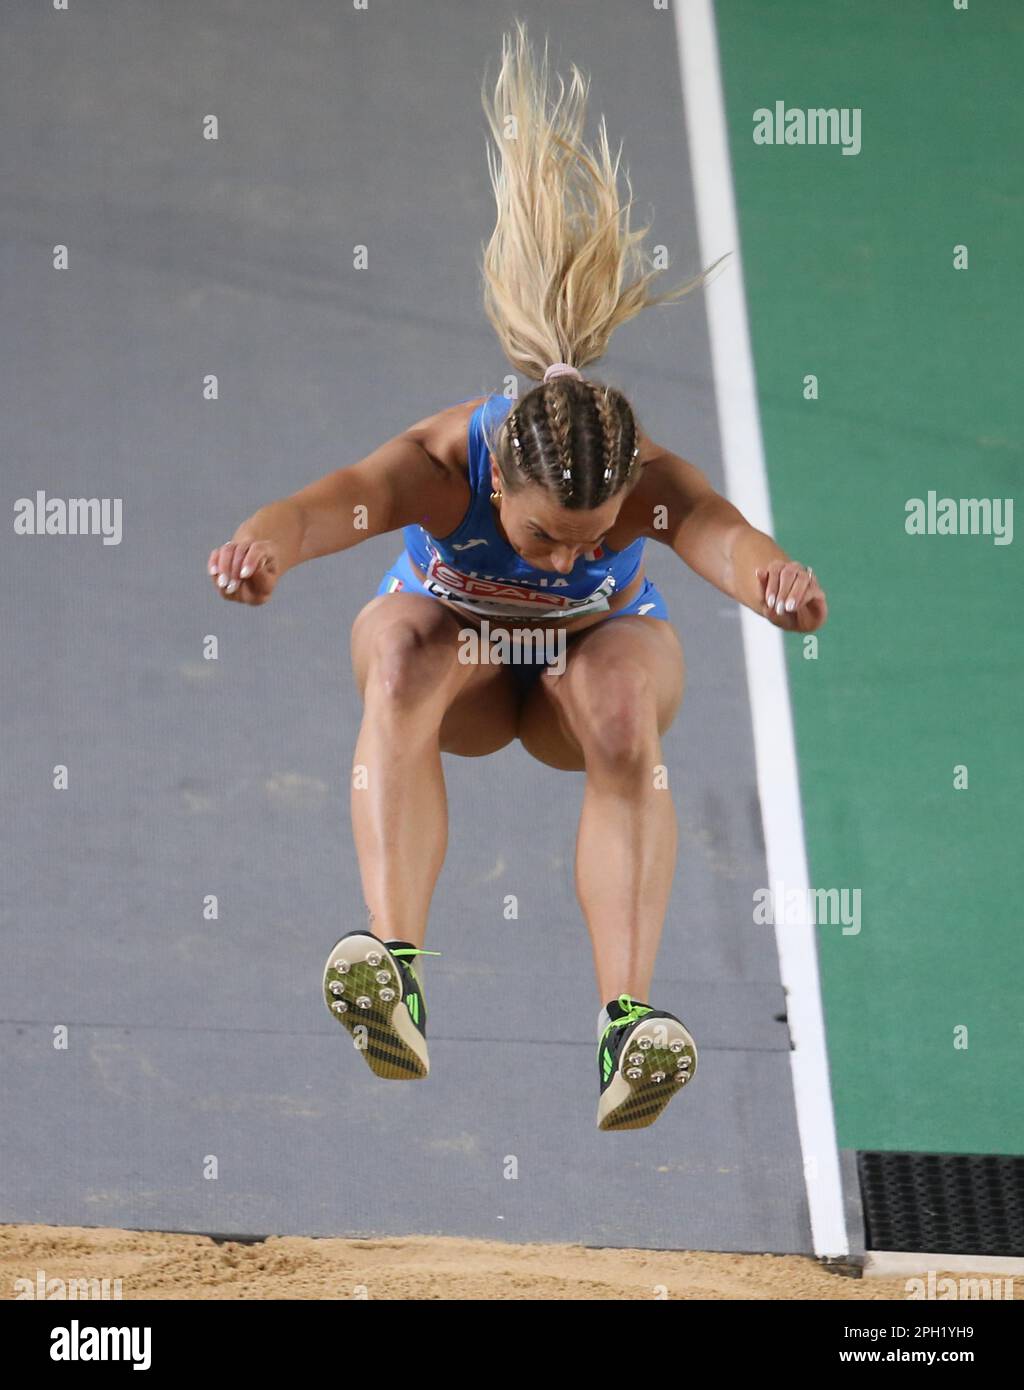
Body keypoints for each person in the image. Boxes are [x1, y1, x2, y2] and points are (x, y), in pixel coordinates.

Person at [206, 22, 828, 1131]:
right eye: (547, 537)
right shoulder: (442, 466)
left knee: (627, 711)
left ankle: (626, 1024)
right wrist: (262, 550)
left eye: (594, 535)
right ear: (498, 491)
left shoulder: (639, 481)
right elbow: (322, 506)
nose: (572, 553)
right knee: (396, 658)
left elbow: (721, 538)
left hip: (575, 672)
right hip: (465, 664)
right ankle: (393, 972)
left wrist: (773, 580)